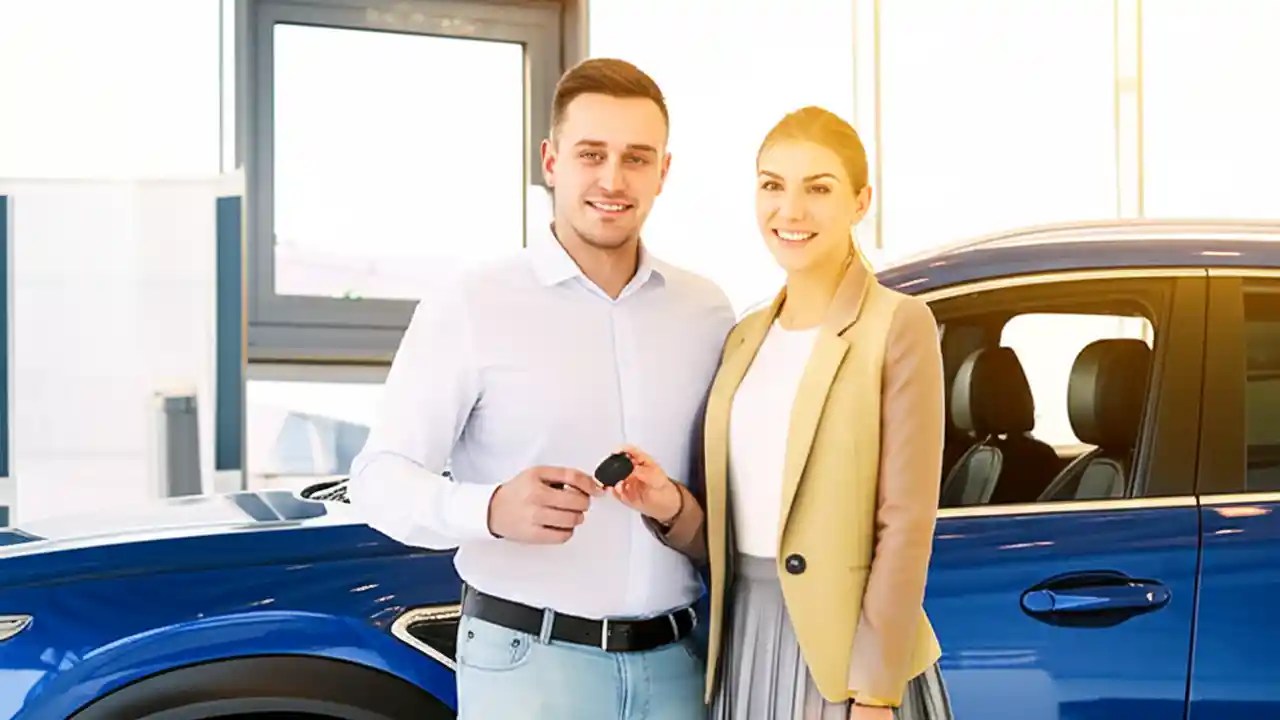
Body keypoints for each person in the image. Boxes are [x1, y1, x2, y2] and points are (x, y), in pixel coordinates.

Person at [346, 58, 735, 720]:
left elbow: (727, 504)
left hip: (679, 667)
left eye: (636, 158)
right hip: (529, 667)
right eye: (592, 154)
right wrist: (491, 508)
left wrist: (672, 507)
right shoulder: (472, 302)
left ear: (664, 172)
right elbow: (377, 479)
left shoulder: (707, 312)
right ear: (552, 161)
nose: (613, 180)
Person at [613, 106, 954, 719]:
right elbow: (735, 531)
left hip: (846, 662)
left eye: (818, 188)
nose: (790, 211)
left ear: (860, 200)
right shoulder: (745, 338)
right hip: (741, 645)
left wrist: (875, 694)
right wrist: (667, 504)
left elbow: (904, 526)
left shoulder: (897, 326)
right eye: (772, 185)